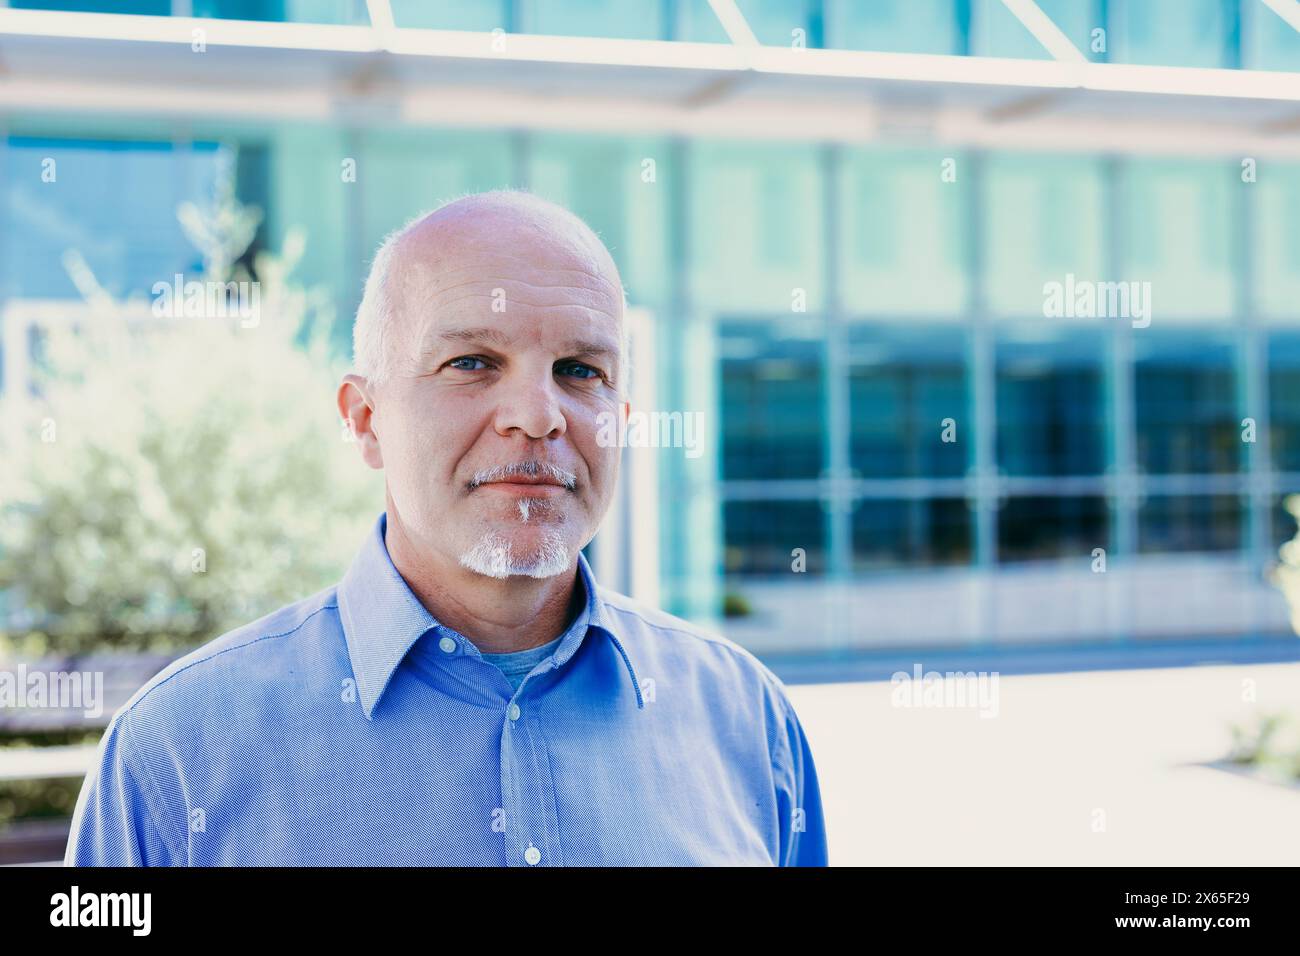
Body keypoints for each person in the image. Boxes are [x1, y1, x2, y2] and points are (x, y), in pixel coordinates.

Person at [65, 189, 828, 866]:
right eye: (471, 362)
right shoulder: (174, 754)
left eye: (580, 370)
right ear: (365, 421)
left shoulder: (750, 725)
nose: (537, 415)